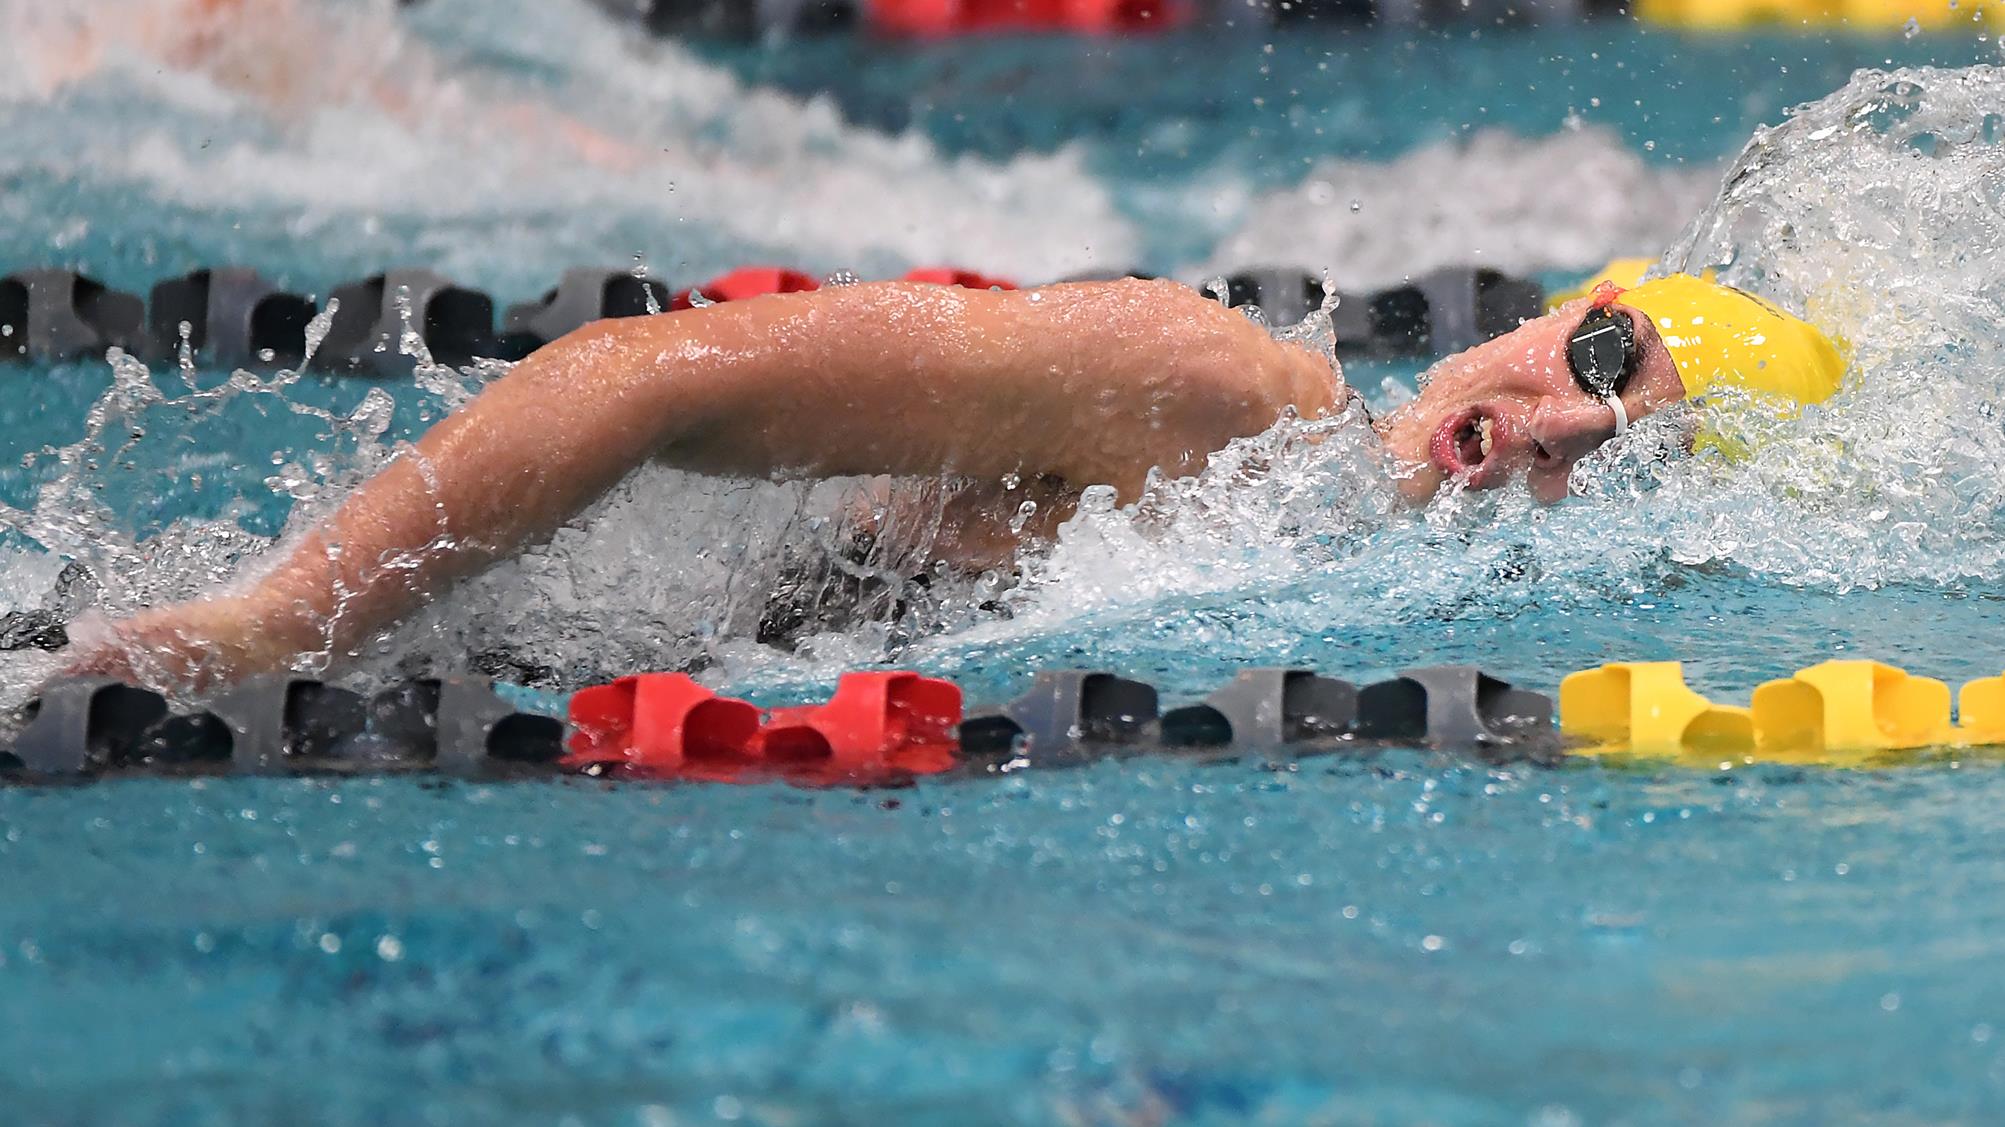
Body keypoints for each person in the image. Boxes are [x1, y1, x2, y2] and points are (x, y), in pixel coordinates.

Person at [55, 268, 1843, 693]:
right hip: (319, 653)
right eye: (1597, 367)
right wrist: (264, 628)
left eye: (1609, 462)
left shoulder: (1339, 598)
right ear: (1560, 307)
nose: (1540, 426)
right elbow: (638, 374)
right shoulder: (1231, 398)